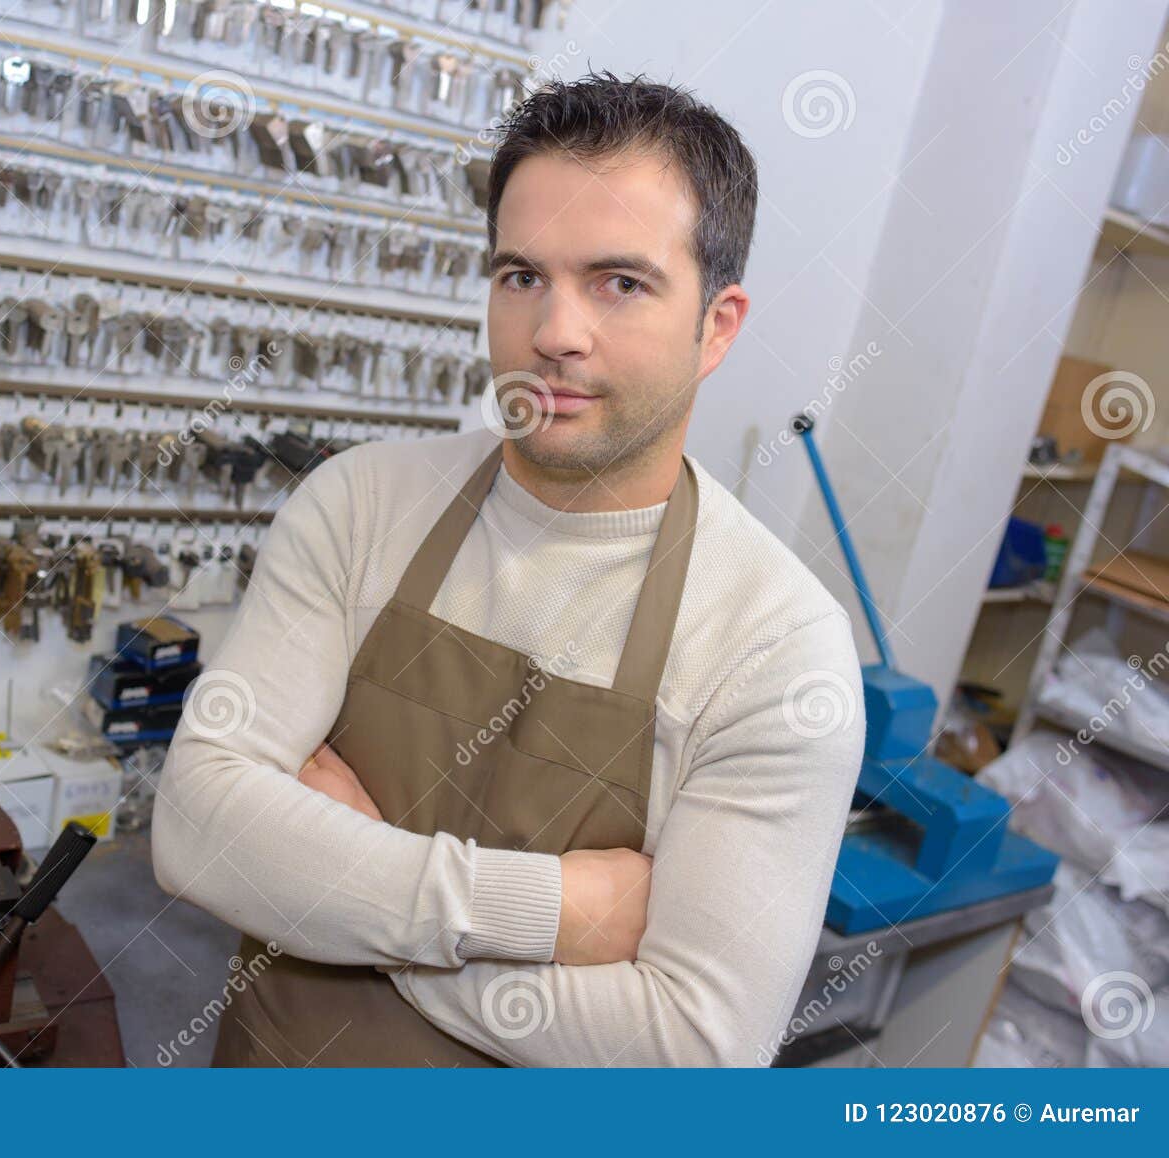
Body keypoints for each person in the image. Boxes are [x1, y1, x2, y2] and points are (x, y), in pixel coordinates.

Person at [152, 71, 865, 1067]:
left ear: (717, 326)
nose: (552, 334)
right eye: (521, 276)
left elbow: (692, 1049)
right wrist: (557, 911)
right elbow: (194, 828)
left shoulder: (775, 651)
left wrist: (347, 903)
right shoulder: (360, 506)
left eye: (619, 283)